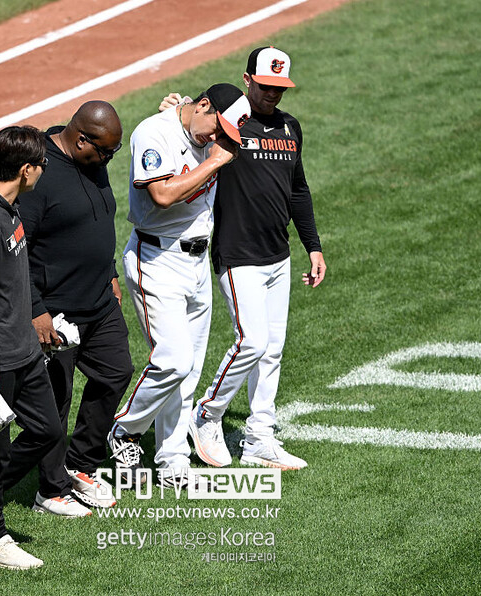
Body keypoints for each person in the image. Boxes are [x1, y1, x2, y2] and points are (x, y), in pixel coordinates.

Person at [159, 47, 326, 470]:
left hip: (277, 253)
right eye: (266, 86)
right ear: (247, 79)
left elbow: (298, 190)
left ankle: (259, 438)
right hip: (237, 253)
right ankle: (207, 415)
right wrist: (174, 108)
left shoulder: (290, 127)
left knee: (272, 350)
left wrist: (313, 245)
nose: (273, 95)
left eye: (280, 88)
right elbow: (190, 125)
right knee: (251, 342)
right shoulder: (230, 125)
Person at [109, 83, 251, 488]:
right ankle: (124, 430)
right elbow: (161, 195)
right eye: (216, 128)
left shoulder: (206, 130)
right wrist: (215, 162)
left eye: (226, 136)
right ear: (203, 105)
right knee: (172, 359)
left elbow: (215, 134)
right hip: (157, 259)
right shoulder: (154, 133)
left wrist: (206, 135)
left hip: (196, 263)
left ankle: (173, 460)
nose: (217, 139)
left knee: (188, 371)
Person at [0, 125, 77, 571]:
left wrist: (39, 320)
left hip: (23, 349)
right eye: (41, 164)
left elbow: (14, 280)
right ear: (25, 170)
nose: (45, 170)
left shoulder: (11, 207)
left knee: (47, 429)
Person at [16, 101, 134, 510]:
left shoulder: (92, 160)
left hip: (99, 299)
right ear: (81, 138)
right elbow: (18, 247)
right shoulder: (40, 174)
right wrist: (35, 308)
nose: (108, 161)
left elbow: (99, 220)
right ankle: (49, 490)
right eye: (105, 152)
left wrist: (112, 270)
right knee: (56, 400)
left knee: (116, 372)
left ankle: (79, 463)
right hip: (57, 310)